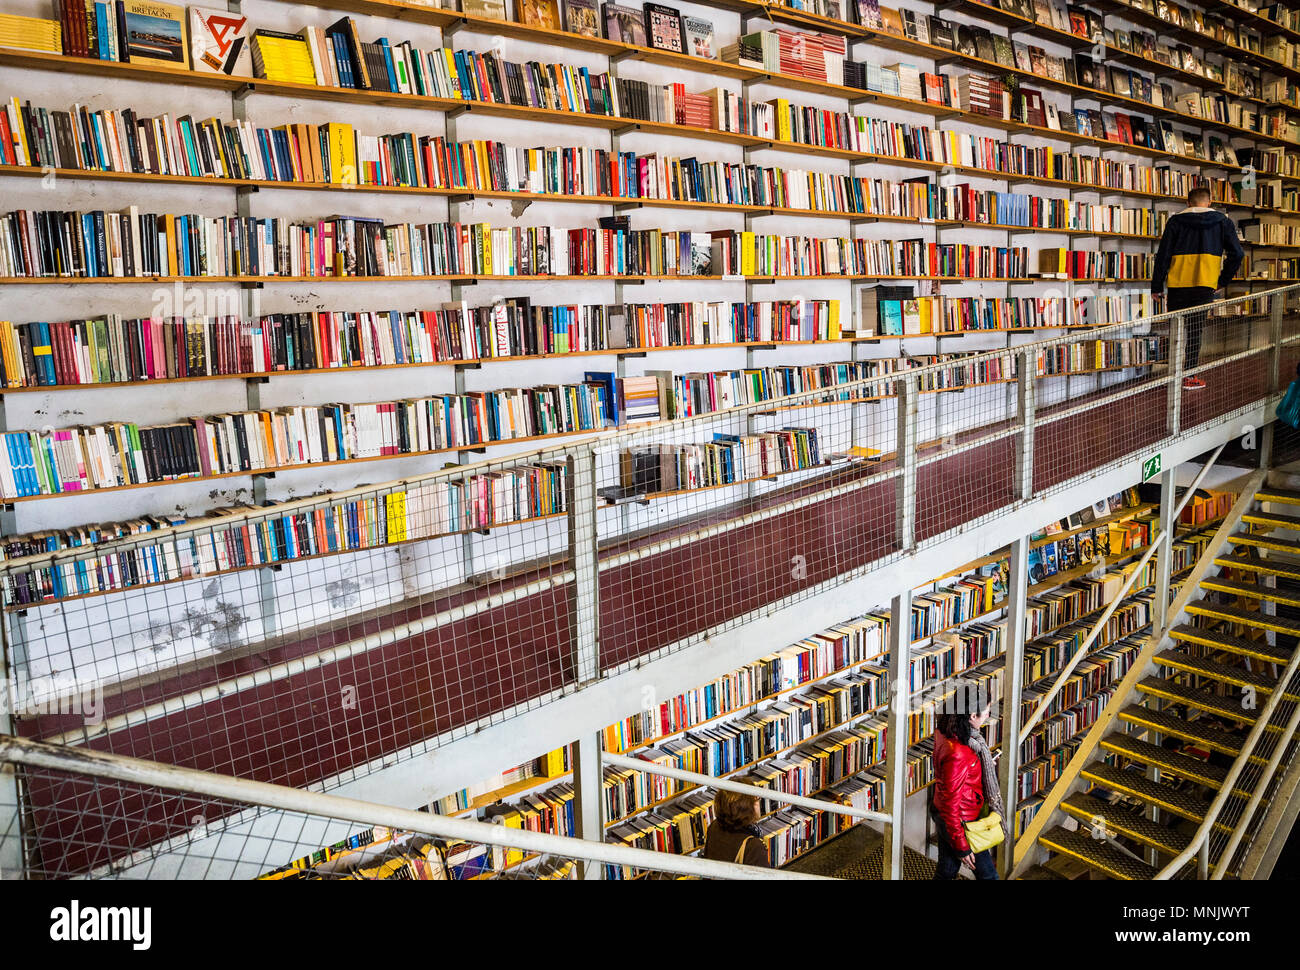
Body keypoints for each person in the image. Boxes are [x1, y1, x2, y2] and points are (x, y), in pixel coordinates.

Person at [1150, 186, 1245, 390]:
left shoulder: (1175, 221)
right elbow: (1237, 254)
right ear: (1209, 202)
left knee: (1175, 331)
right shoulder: (1223, 222)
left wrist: (1156, 286)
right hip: (1205, 286)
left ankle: (1173, 376)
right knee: (1195, 332)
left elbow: (1163, 256)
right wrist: (1222, 280)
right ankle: (1190, 376)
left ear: (1188, 203)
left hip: (1178, 285)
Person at [931, 687, 1005, 880]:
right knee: (989, 876)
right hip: (962, 822)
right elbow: (950, 805)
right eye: (987, 711)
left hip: (947, 815)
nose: (989, 714)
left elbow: (953, 778)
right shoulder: (959, 752)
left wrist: (977, 764)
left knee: (946, 870)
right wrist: (962, 847)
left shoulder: (946, 729)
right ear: (973, 715)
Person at [702, 788, 769, 867]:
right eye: (756, 799)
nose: (759, 803)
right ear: (747, 807)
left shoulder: (714, 826)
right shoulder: (754, 847)